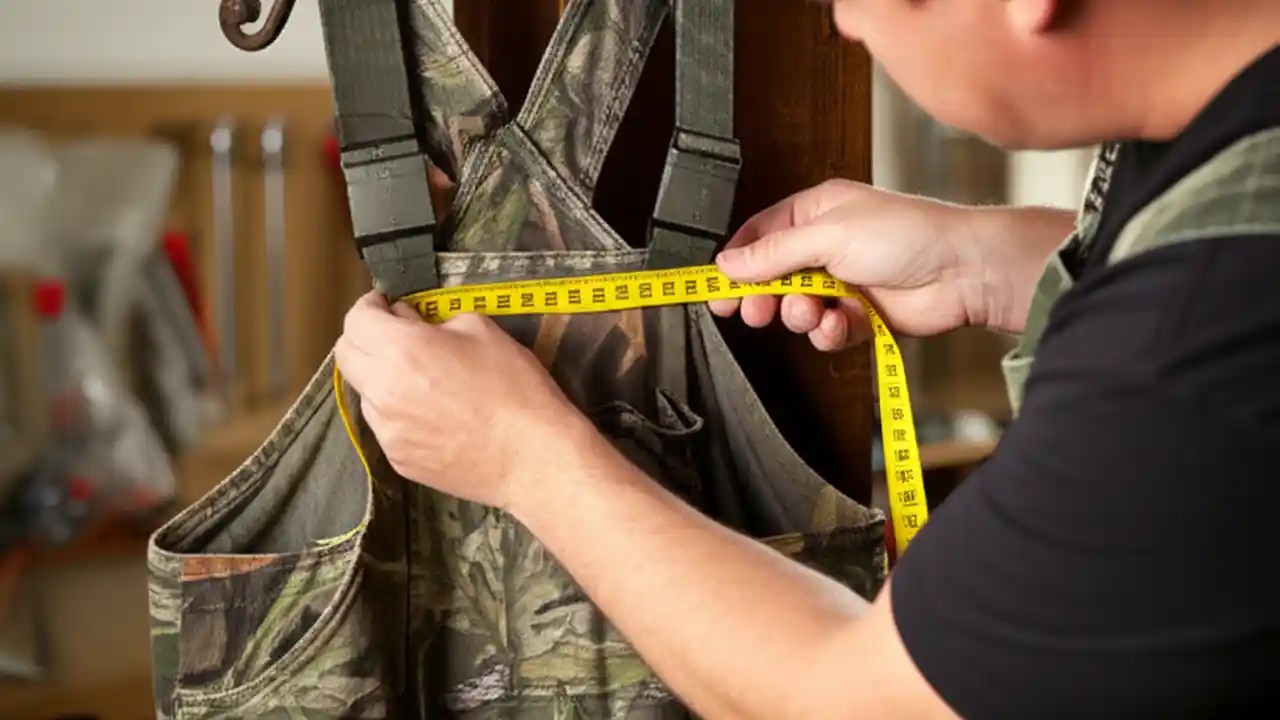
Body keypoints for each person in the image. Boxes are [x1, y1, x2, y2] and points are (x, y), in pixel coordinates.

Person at [335, 1, 1280, 716]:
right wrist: (995, 263)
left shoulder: (1196, 349)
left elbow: (864, 702)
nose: (843, 20)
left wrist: (528, 461)